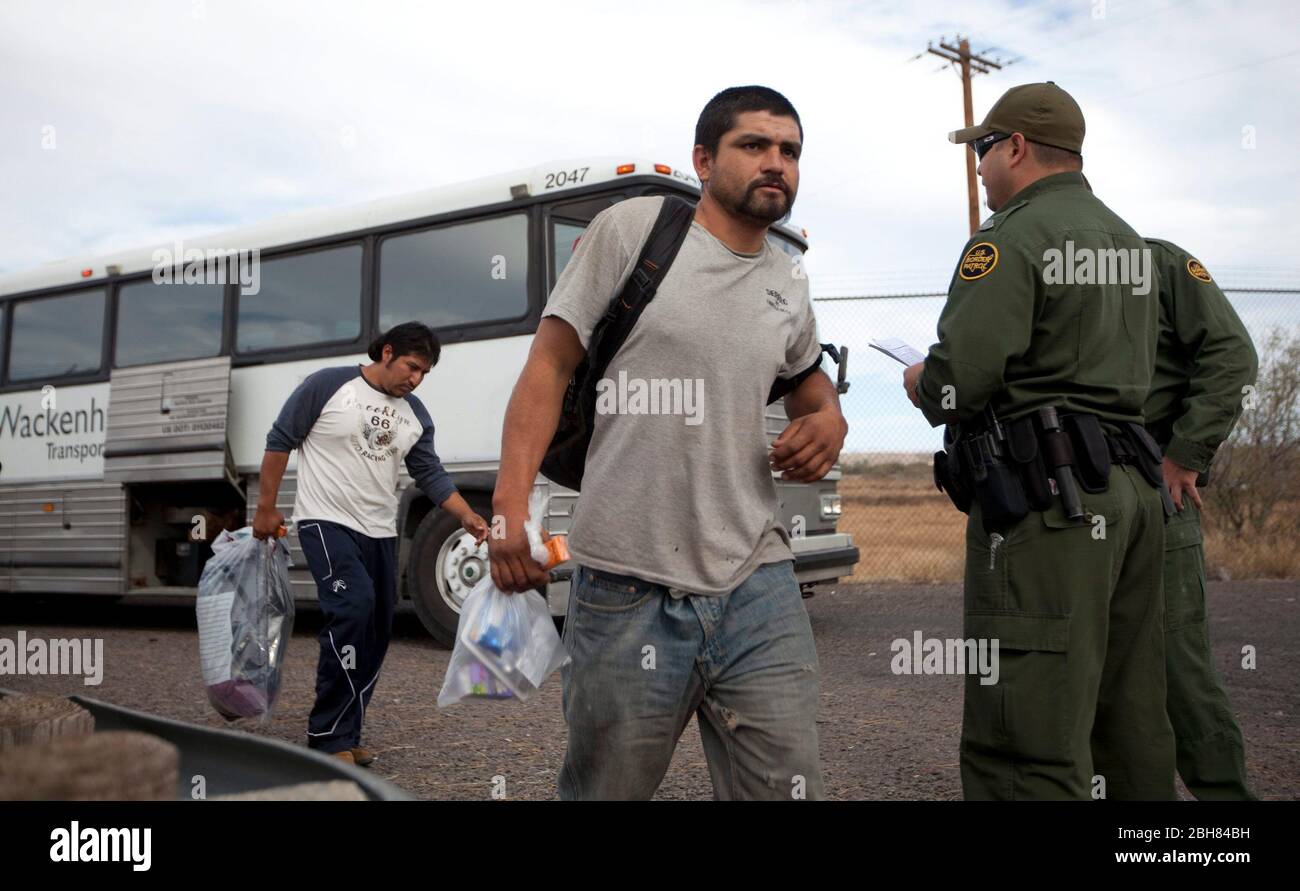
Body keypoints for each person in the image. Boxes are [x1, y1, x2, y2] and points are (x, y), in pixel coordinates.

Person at [488, 85, 848, 800]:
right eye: (755, 146)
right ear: (704, 159)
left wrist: (831, 420)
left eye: (790, 151)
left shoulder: (788, 279)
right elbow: (548, 366)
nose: (776, 163)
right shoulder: (635, 230)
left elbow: (812, 390)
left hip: (758, 578)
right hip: (627, 582)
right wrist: (509, 506)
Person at [903, 82, 1176, 799]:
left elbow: (959, 378)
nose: (980, 167)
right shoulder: (1129, 242)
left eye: (984, 150)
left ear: (1016, 147)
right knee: (1128, 709)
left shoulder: (1010, 238)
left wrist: (920, 382)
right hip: (1134, 497)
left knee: (1023, 731)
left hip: (1052, 500)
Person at [253, 322, 488, 765]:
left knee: (377, 632)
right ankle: (327, 739)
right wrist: (265, 507)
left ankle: (347, 731)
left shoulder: (414, 413)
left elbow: (430, 474)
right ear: (386, 352)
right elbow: (280, 440)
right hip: (326, 523)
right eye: (412, 367)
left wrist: (467, 515)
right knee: (352, 609)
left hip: (379, 531)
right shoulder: (328, 385)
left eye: (424, 373)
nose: (415, 379)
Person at [1144, 237, 1259, 799]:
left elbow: (1233, 356)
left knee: (1178, 670)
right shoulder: (1036, 265)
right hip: (1071, 503)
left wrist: (1185, 454)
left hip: (1154, 495)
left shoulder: (1156, 262)